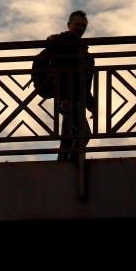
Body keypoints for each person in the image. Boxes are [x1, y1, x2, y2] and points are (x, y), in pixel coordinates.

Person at [45, 10, 96, 163]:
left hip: (77, 99)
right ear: (69, 25)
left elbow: (85, 83)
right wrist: (64, 97)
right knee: (84, 133)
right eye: (77, 24)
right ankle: (72, 163)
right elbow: (59, 71)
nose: (80, 28)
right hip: (68, 98)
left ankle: (63, 164)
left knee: (68, 135)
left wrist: (91, 104)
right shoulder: (62, 42)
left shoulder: (85, 53)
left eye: (83, 25)